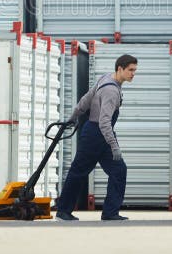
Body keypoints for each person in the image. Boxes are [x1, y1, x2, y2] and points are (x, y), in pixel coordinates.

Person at [55, 54, 137, 221]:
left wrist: (73, 116)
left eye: (135, 70)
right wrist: (114, 146)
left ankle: (109, 213)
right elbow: (104, 122)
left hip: (95, 133)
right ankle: (63, 211)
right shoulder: (111, 91)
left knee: (118, 171)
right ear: (120, 69)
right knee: (79, 171)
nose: (133, 74)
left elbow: (85, 99)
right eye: (130, 70)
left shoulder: (105, 78)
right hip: (97, 135)